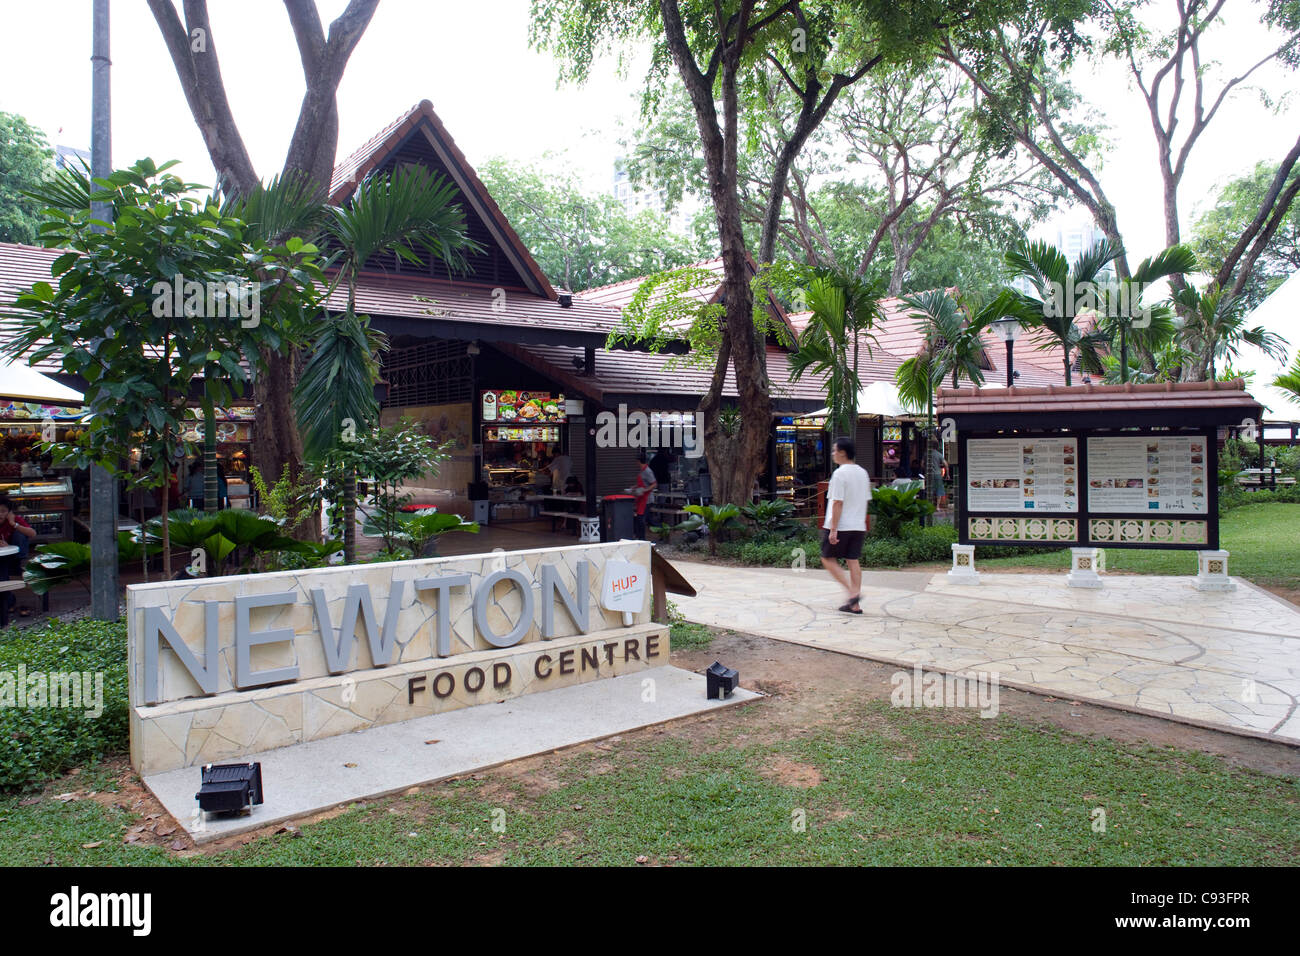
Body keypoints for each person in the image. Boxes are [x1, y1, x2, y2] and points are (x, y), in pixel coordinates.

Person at [820, 437, 870, 613]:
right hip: (858, 525)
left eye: (834, 450)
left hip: (841, 525)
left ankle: (851, 593)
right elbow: (866, 500)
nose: (833, 454)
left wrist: (833, 529)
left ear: (842, 452)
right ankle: (854, 604)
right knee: (852, 560)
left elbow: (837, 503)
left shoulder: (840, 473)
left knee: (827, 558)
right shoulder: (863, 473)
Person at [0, 495, 37, 617]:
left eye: (3, 511)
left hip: (16, 557)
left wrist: (13, 523)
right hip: (2, 558)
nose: (0, 514)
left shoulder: (14, 520)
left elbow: (32, 533)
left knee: (20, 533)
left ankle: (8, 603)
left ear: (9, 512)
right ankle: (8, 602)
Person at [630, 450, 658, 540]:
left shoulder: (647, 471)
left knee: (641, 519)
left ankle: (641, 537)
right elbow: (643, 483)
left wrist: (645, 490)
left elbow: (654, 484)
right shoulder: (642, 470)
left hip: (647, 499)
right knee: (642, 518)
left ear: (638, 461)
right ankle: (640, 536)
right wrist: (635, 487)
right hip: (642, 498)